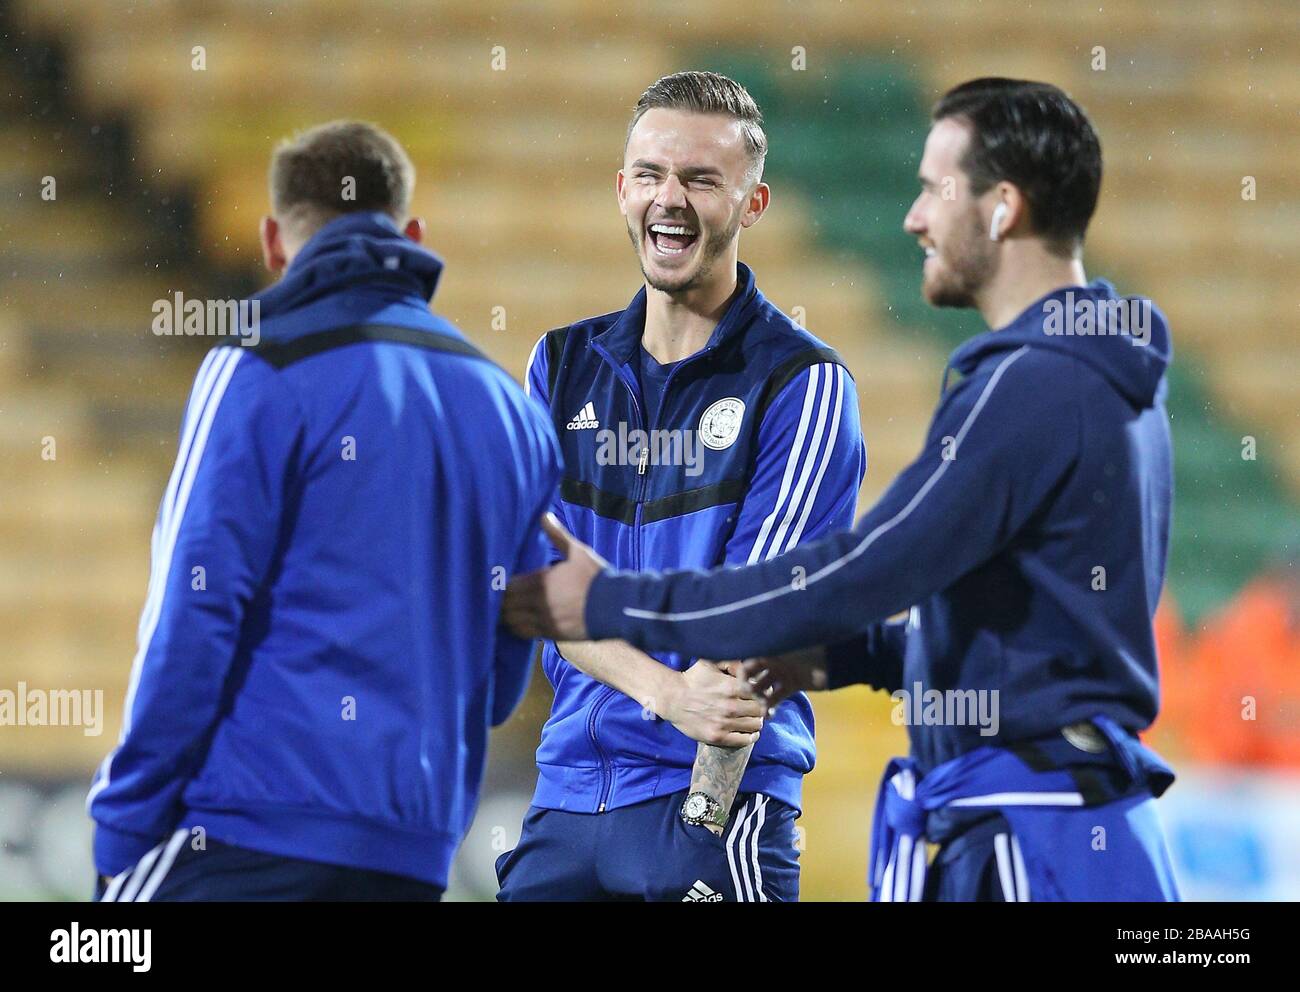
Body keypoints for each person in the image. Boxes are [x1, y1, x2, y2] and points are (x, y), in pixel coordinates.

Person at [504, 78, 1182, 902]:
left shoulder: (1036, 386)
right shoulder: (1089, 380)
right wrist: (843, 658)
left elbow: (862, 570)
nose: (915, 217)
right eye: (649, 174)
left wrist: (612, 600)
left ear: (1001, 208)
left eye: (935, 189)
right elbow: (1007, 636)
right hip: (1053, 813)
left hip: (1037, 826)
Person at [88, 120, 561, 901]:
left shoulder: (256, 365)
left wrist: (124, 820)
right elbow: (505, 674)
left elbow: (196, 607)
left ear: (276, 241)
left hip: (240, 833)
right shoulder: (510, 411)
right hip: (408, 856)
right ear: (411, 235)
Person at [495, 71, 865, 902]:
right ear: (622, 189)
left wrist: (704, 793)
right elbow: (532, 586)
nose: (673, 200)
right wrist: (665, 690)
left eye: (702, 179)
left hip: (713, 808)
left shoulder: (802, 383)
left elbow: (755, 617)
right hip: (568, 796)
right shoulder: (559, 366)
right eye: (654, 175)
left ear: (753, 204)